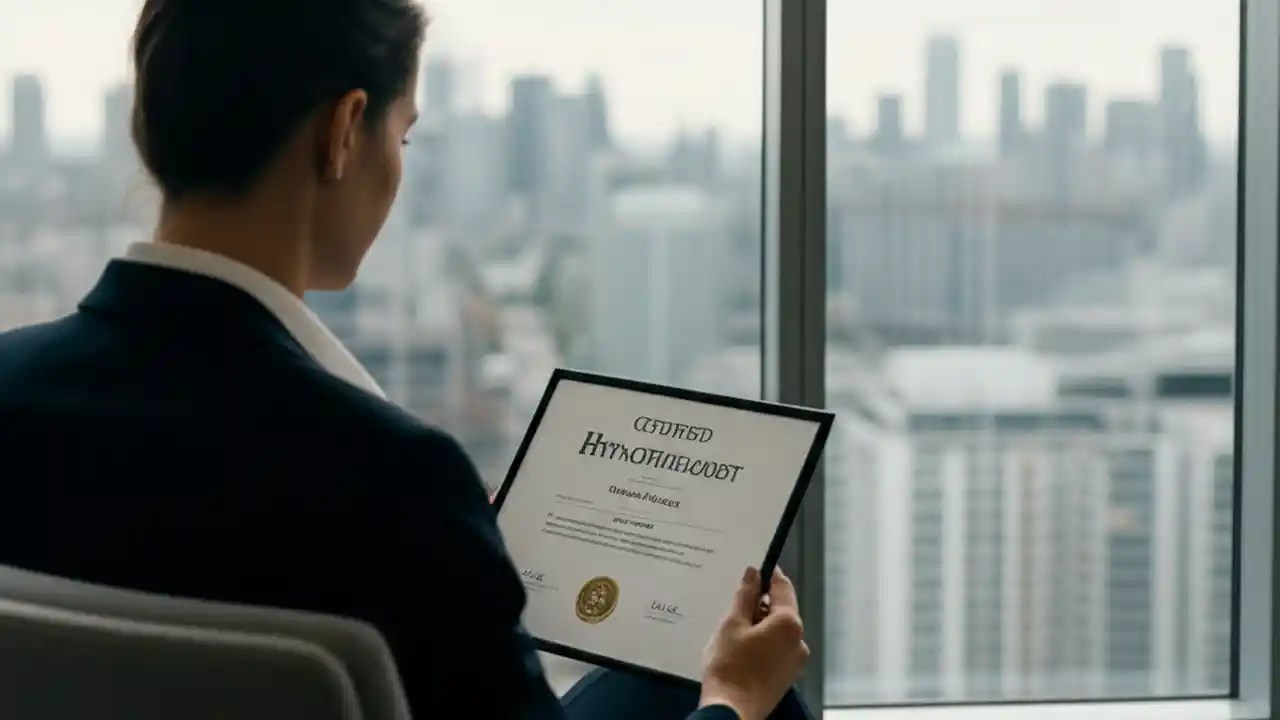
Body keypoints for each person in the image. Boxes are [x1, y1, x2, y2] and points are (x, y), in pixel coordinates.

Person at [0, 1, 814, 718]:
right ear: (344, 132)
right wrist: (734, 705)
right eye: (406, 134)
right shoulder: (395, 480)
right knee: (728, 675)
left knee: (681, 671)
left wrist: (461, 549)